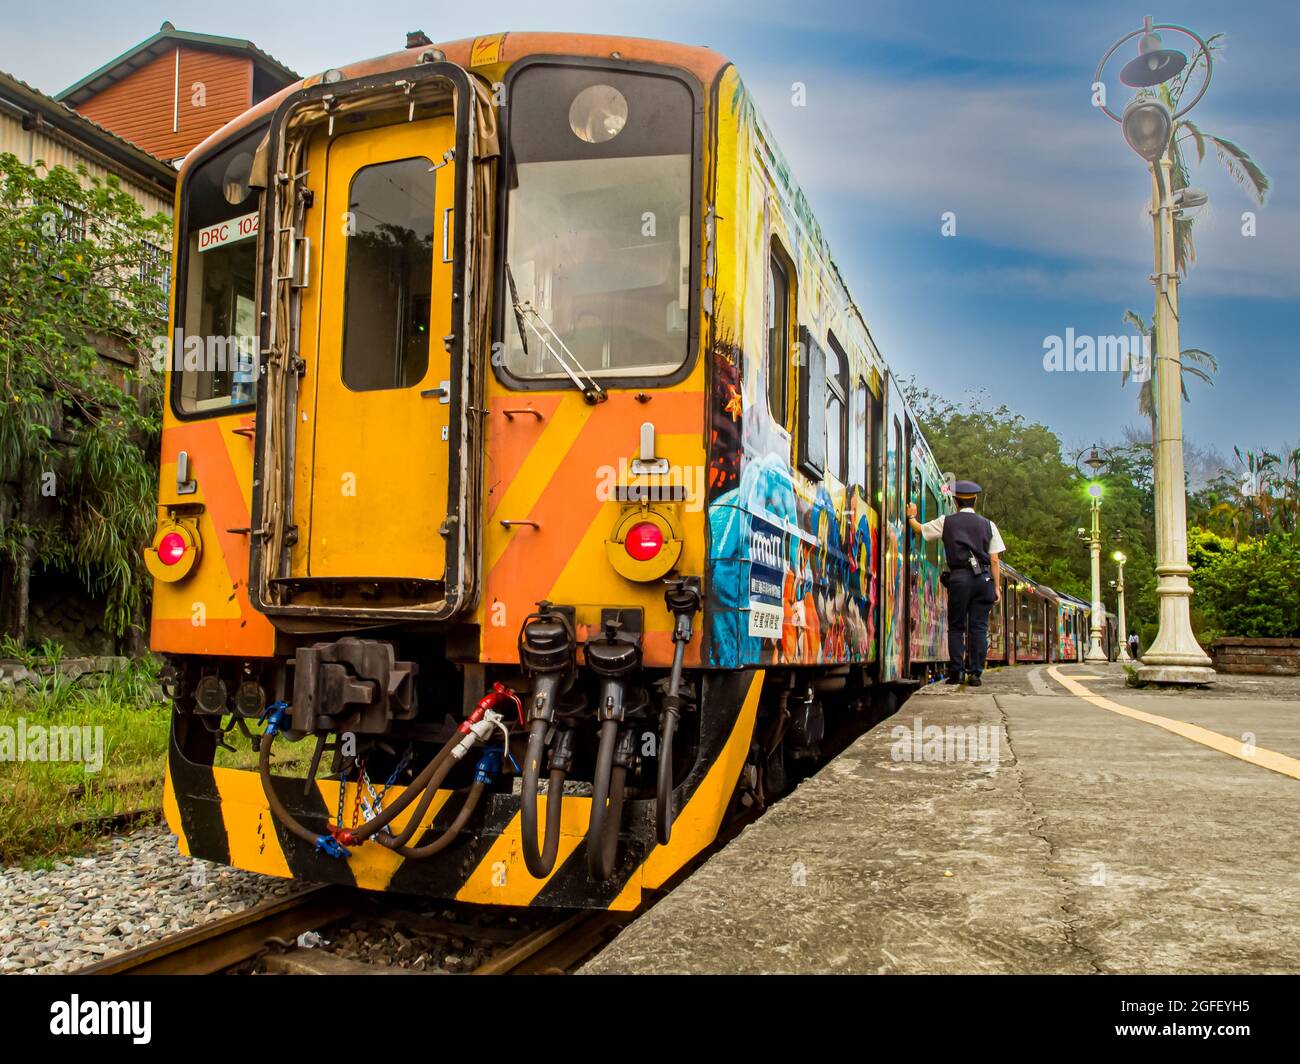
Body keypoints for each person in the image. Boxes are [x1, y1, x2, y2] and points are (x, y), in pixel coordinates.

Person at [905, 480, 1005, 687]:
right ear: (975, 500)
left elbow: (919, 530)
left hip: (960, 579)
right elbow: (995, 559)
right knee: (978, 627)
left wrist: (911, 515)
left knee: (956, 627)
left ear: (955, 500)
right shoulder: (989, 525)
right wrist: (996, 587)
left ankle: (957, 673)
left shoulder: (946, 521)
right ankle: (975, 675)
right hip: (983, 579)